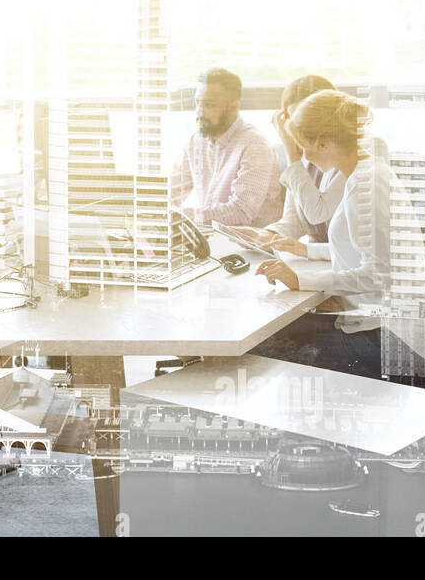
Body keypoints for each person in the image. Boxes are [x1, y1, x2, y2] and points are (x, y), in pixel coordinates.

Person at [249, 90, 397, 377]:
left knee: (259, 347)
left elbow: (378, 273)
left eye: (303, 146)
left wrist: (301, 279)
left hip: (380, 341)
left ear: (325, 143)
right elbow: (364, 250)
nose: (303, 155)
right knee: (270, 328)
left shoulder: (366, 186)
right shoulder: (361, 175)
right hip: (368, 324)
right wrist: (306, 250)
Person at [222, 74, 343, 248]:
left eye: (307, 120)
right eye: (293, 121)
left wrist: (291, 155)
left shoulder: (347, 158)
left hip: (336, 262)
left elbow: (318, 214)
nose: (299, 129)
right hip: (316, 262)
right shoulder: (304, 159)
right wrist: (264, 235)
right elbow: (294, 222)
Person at [170, 67, 283, 227]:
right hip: (216, 241)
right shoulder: (196, 141)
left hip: (249, 246)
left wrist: (183, 216)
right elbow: (173, 190)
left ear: (233, 107)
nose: (199, 112)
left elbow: (240, 212)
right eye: (197, 103)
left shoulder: (255, 146)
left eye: (209, 105)